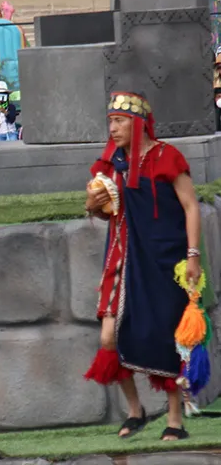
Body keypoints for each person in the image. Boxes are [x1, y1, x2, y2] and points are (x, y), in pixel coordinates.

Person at [83, 92, 201, 442]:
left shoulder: (168, 157)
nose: (113, 128)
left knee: (167, 336)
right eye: (111, 121)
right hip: (121, 257)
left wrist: (193, 255)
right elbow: (98, 208)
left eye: (119, 121)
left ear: (138, 123)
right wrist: (92, 203)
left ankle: (176, 418)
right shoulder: (111, 163)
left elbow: (191, 206)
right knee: (108, 337)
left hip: (165, 259)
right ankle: (136, 411)